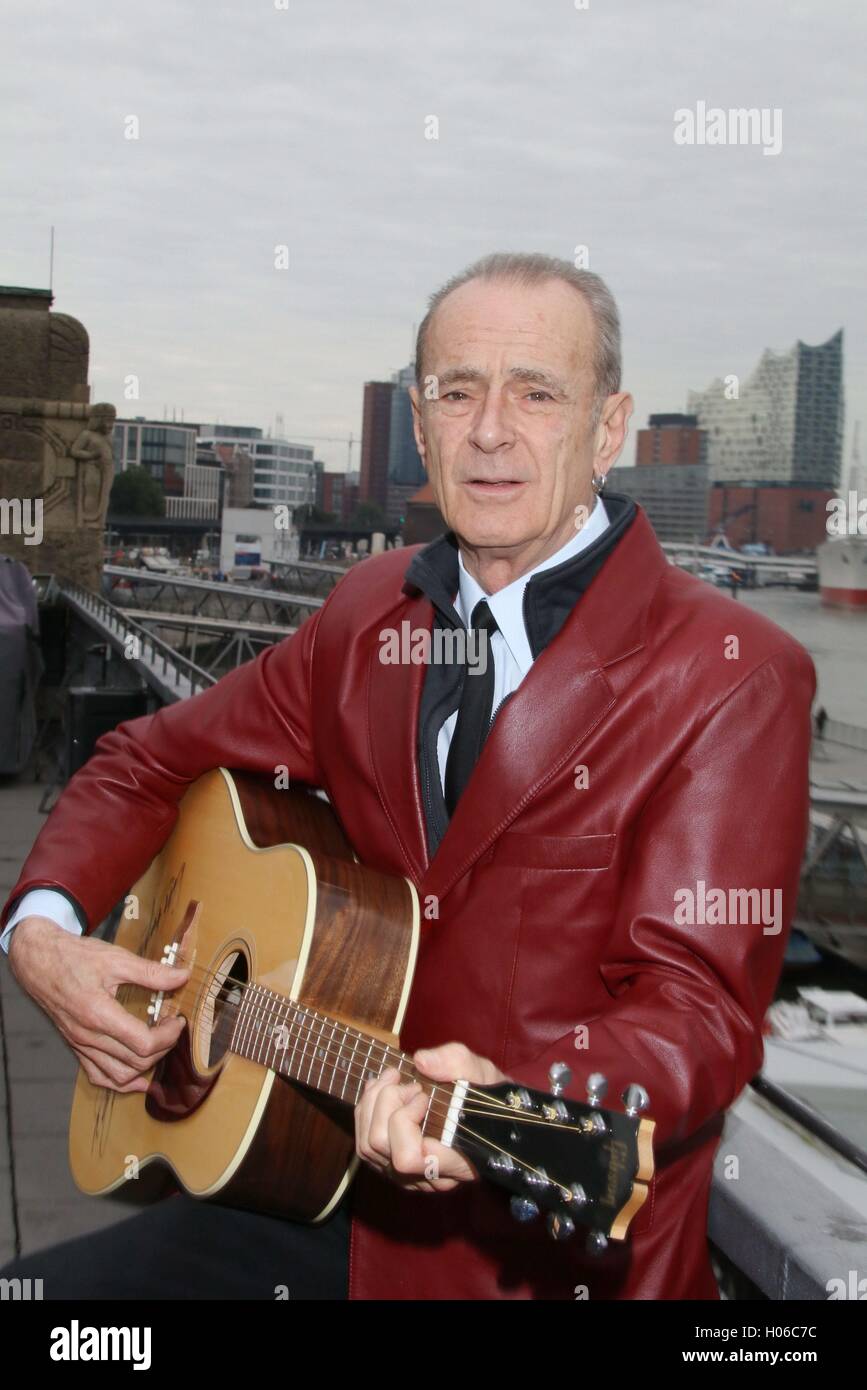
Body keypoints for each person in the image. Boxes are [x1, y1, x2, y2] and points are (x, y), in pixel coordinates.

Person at [0, 252, 815, 1300]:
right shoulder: (369, 612)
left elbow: (698, 1009)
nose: (489, 430)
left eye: (536, 392)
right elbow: (146, 761)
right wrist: (45, 930)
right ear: (419, 425)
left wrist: (511, 1101)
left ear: (608, 429)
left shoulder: (726, 676)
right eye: (456, 391)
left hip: (535, 1263)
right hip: (311, 1197)